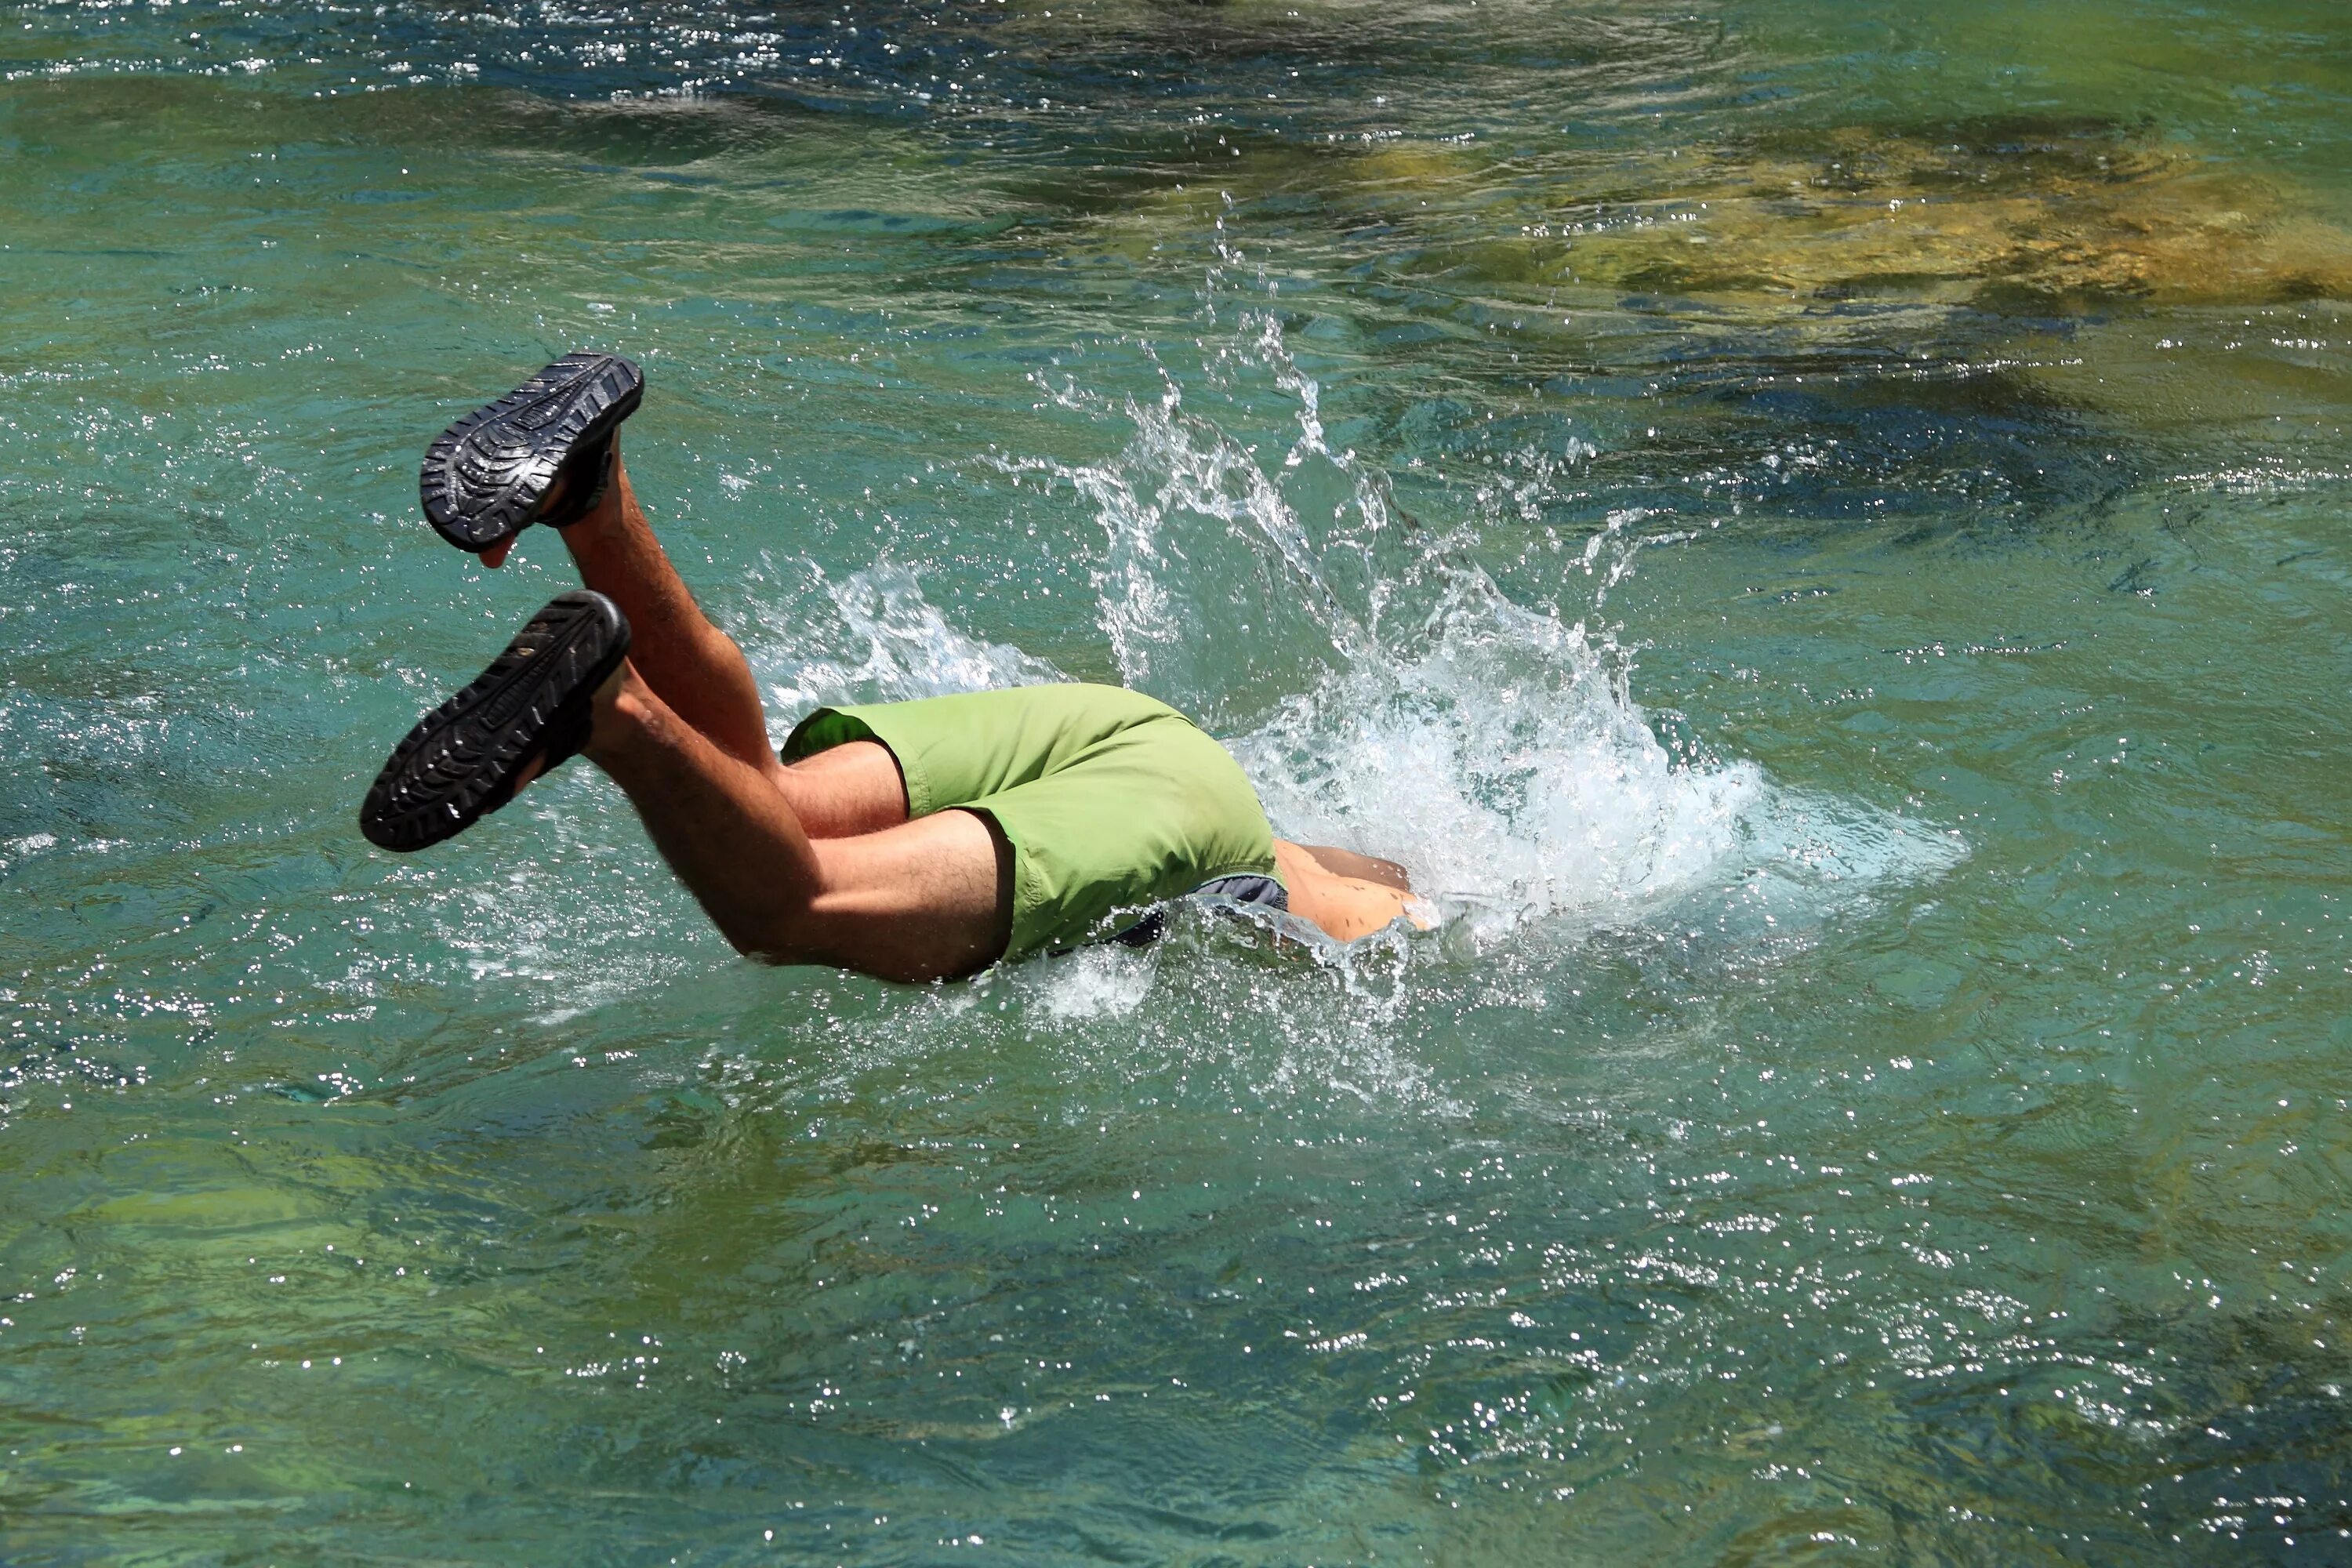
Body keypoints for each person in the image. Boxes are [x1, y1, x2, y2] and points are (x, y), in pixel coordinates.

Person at [361, 352, 1425, 982]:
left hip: (1129, 732)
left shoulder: (1369, 859)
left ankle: (592, 499)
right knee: (796, 910)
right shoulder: (1422, 932)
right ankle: (612, 715)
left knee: (770, 808)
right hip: (1185, 828)